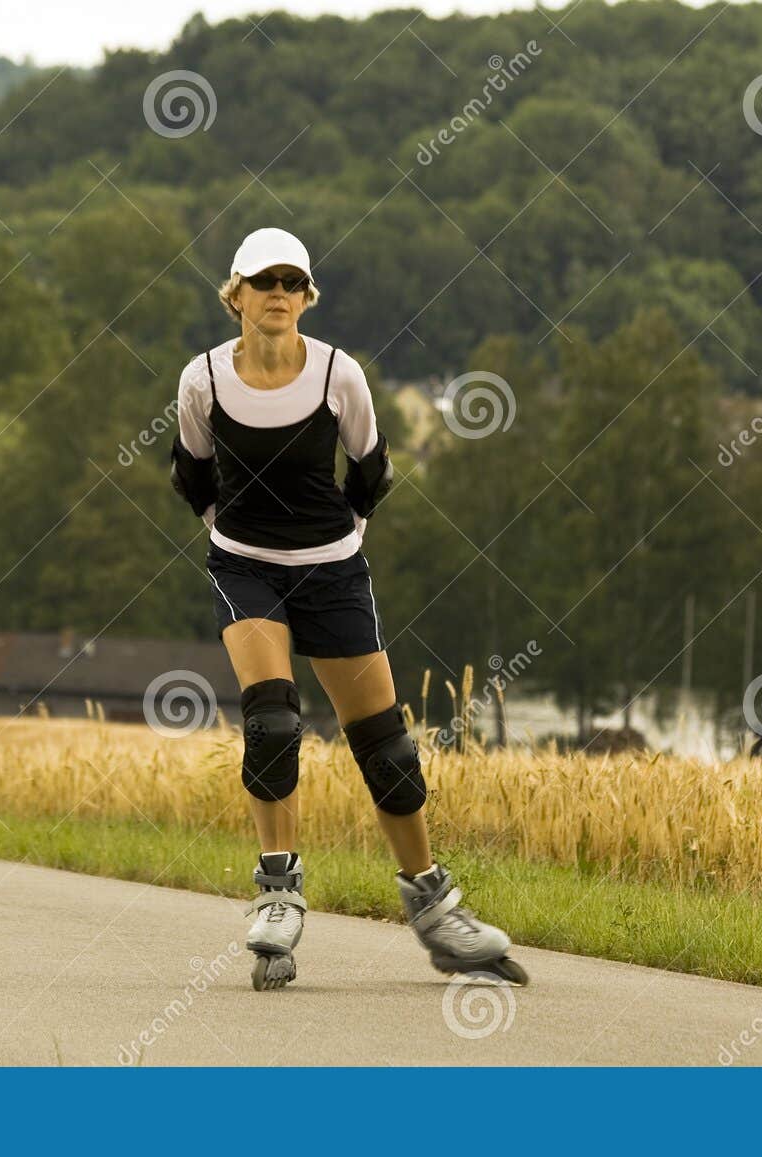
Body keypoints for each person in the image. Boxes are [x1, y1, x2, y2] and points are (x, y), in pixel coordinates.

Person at [169, 226, 528, 992]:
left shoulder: (339, 374)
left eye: (292, 282)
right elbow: (193, 473)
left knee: (387, 746)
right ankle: (277, 893)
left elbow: (372, 470)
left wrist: (341, 543)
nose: (278, 293)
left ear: (307, 296)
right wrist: (239, 540)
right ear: (234, 294)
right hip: (245, 568)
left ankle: (436, 909)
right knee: (272, 719)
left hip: (334, 571)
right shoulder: (201, 379)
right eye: (263, 281)